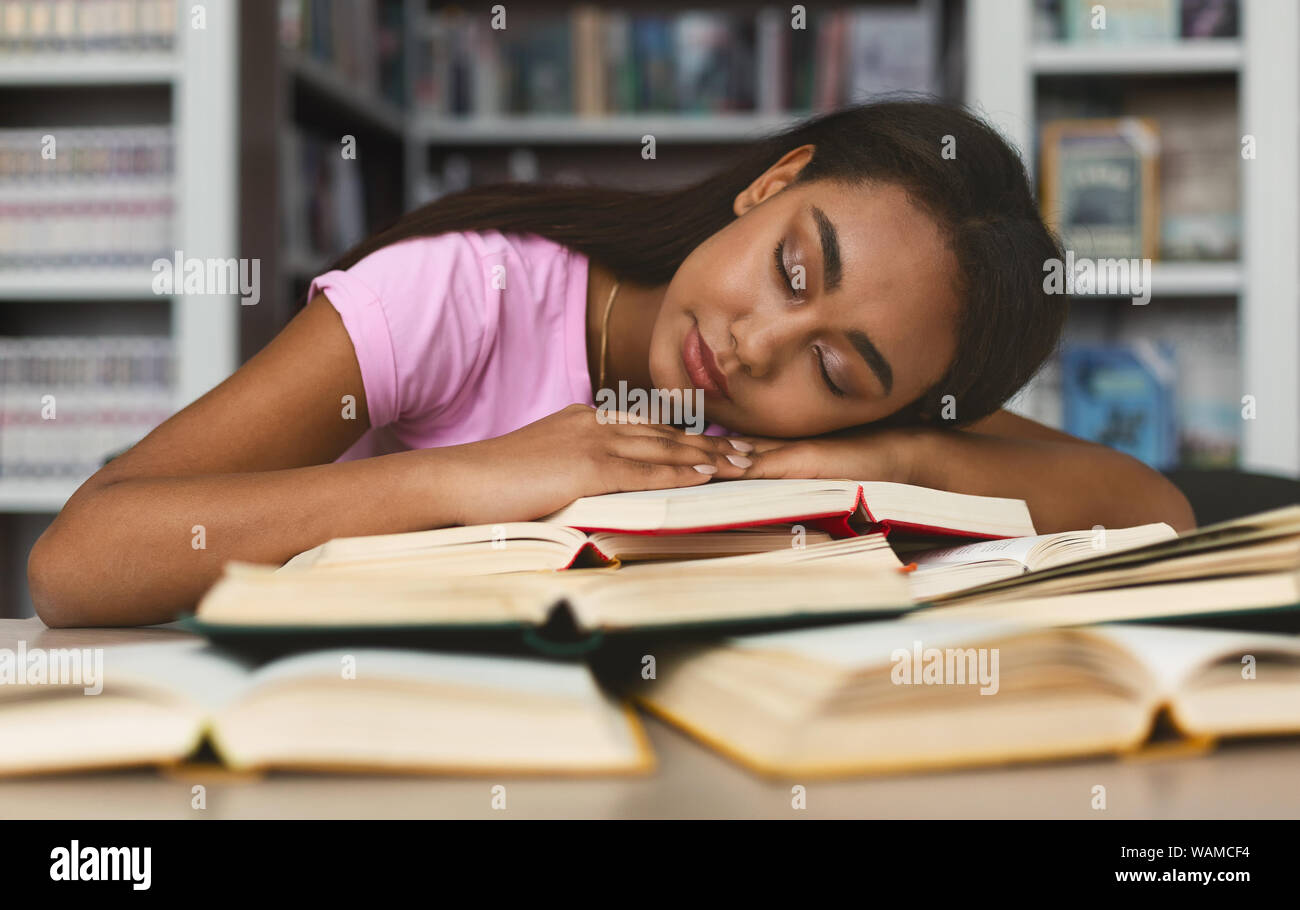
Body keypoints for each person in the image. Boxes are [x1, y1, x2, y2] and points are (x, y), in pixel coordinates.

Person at [28, 100, 1194, 627]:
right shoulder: (468, 292)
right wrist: (470, 479)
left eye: (837, 368)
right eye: (792, 270)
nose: (754, 342)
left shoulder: (838, 429)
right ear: (770, 184)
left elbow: (1158, 507)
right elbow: (77, 563)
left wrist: (891, 450)